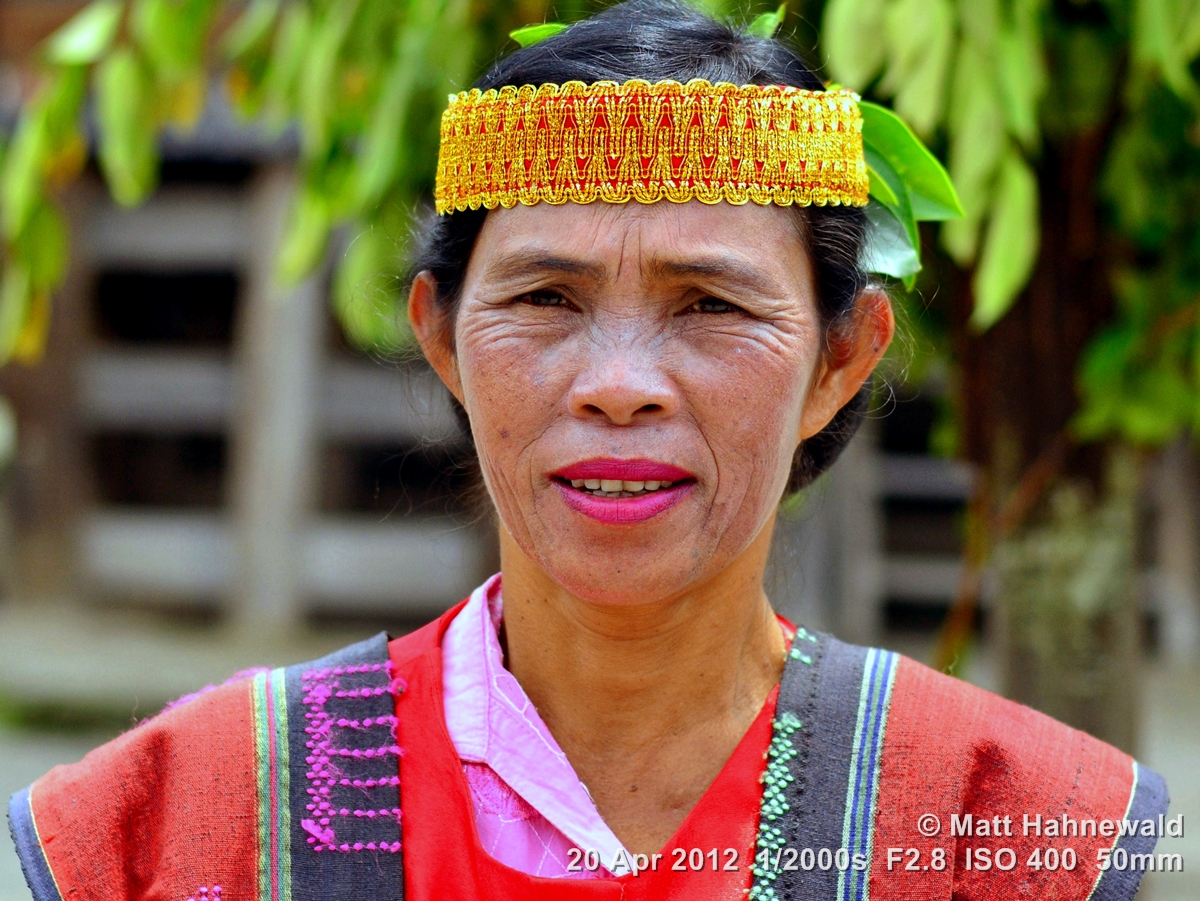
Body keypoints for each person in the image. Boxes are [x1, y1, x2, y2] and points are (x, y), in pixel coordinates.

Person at [8, 2, 1168, 900]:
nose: (618, 384)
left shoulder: (1009, 826)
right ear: (441, 340)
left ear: (841, 359)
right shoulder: (182, 819)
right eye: (546, 299)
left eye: (711, 304)